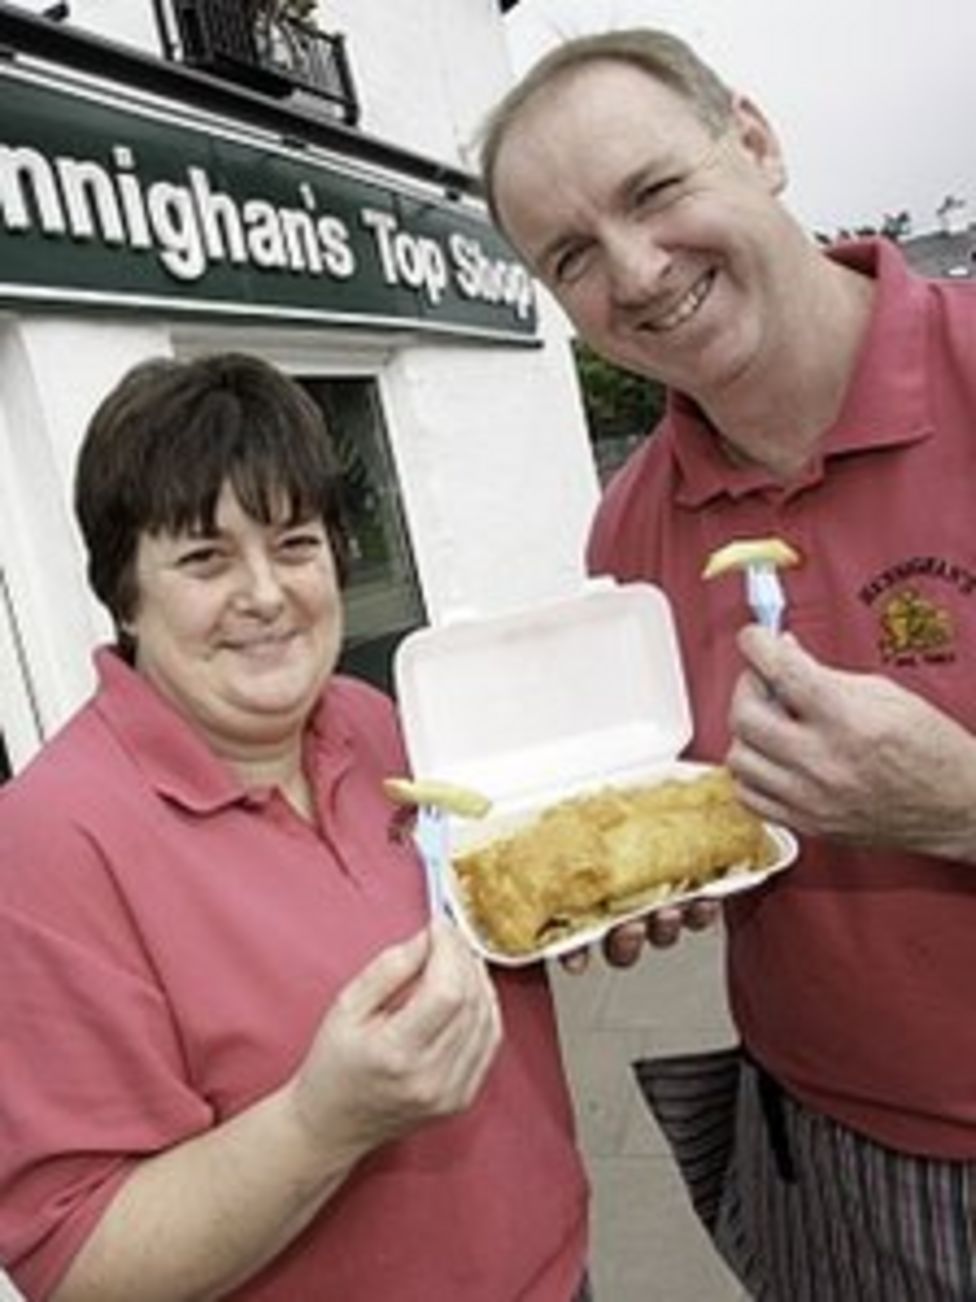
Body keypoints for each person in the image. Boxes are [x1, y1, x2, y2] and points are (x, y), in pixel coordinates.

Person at [480, 27, 976, 1302]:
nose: (637, 274)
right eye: (573, 257)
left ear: (753, 141)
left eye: (652, 192)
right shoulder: (629, 530)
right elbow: (703, 808)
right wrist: (662, 873)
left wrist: (958, 806)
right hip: (834, 1162)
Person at [0, 353, 589, 1301]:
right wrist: (323, 1121)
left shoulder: (379, 720)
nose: (266, 594)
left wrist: (581, 909)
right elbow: (80, 1266)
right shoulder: (48, 842)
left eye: (295, 542)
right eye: (203, 558)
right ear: (124, 593)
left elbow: (481, 933)